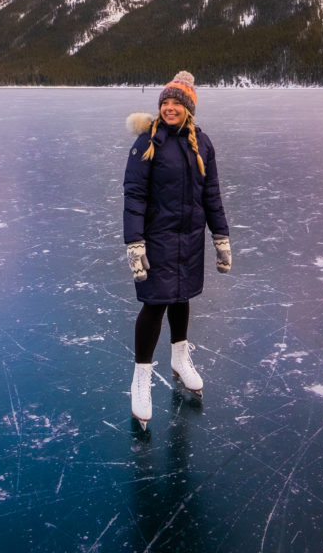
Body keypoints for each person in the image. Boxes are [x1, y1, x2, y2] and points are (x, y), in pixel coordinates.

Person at [123, 71, 232, 427]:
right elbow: (134, 196)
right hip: (157, 239)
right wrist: (134, 243)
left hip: (190, 238)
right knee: (155, 304)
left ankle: (180, 358)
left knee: (182, 297)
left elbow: (211, 195)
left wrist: (220, 237)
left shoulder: (202, 144)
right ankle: (141, 379)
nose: (170, 108)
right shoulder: (147, 143)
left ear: (189, 109)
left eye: (177, 103)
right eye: (165, 103)